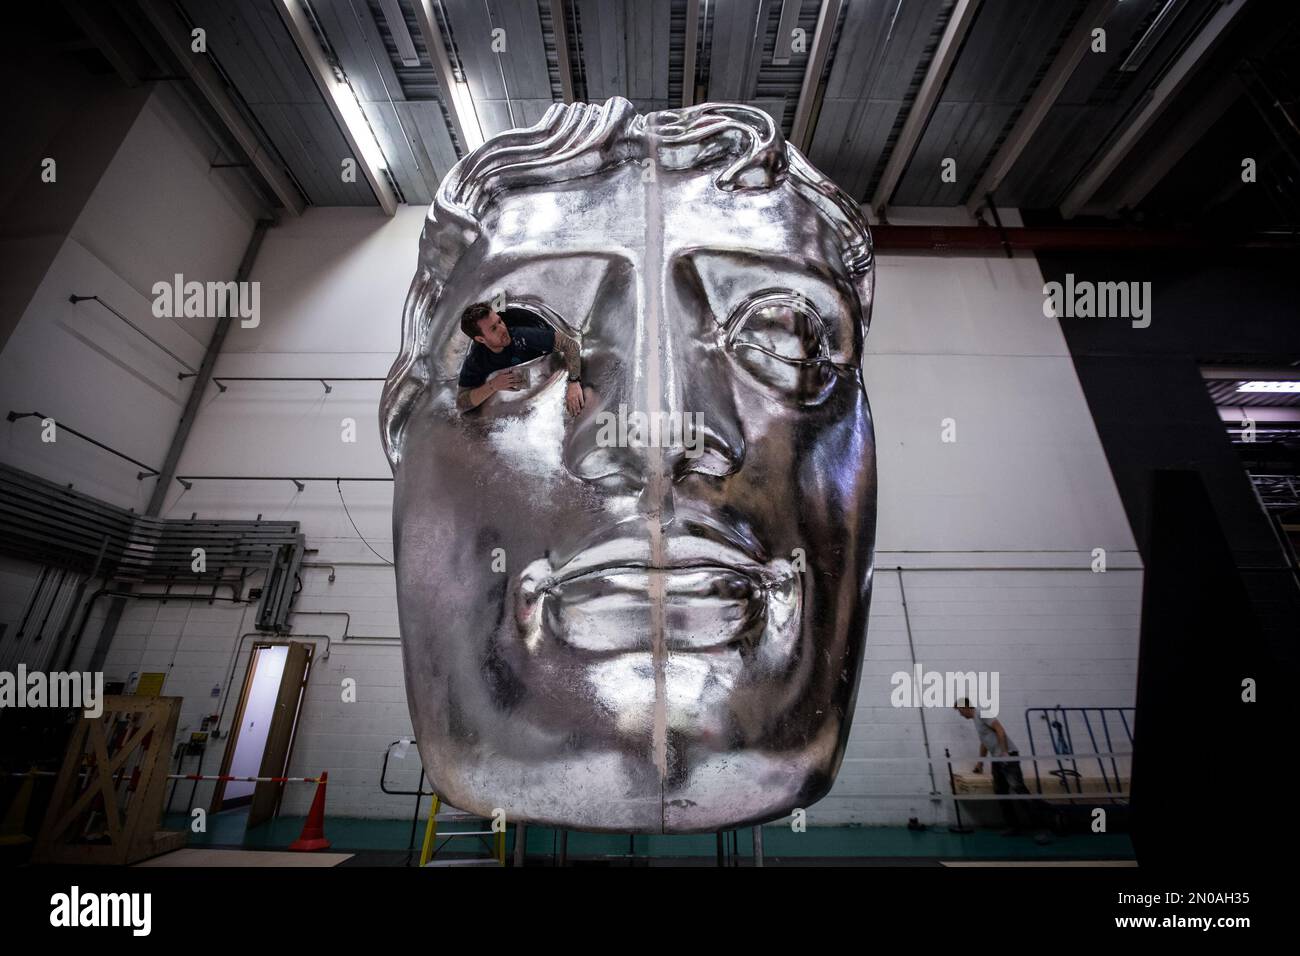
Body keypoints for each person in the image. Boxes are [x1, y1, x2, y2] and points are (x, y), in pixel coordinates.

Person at [455, 302, 584, 414]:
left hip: (546, 382)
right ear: (480, 339)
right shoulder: (477, 359)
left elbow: (570, 344)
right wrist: (493, 385)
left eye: (500, 321)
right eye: (494, 328)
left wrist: (574, 382)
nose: (502, 329)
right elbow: (461, 403)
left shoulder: (522, 337)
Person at [956, 699, 1049, 841]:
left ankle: (1041, 829)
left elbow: (1000, 730)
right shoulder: (976, 719)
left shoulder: (982, 713)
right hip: (998, 759)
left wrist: (1005, 753)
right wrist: (980, 764)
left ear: (966, 707)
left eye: (960, 710)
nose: (960, 714)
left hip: (1007, 757)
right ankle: (1013, 826)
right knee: (1001, 792)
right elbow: (985, 742)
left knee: (1019, 790)